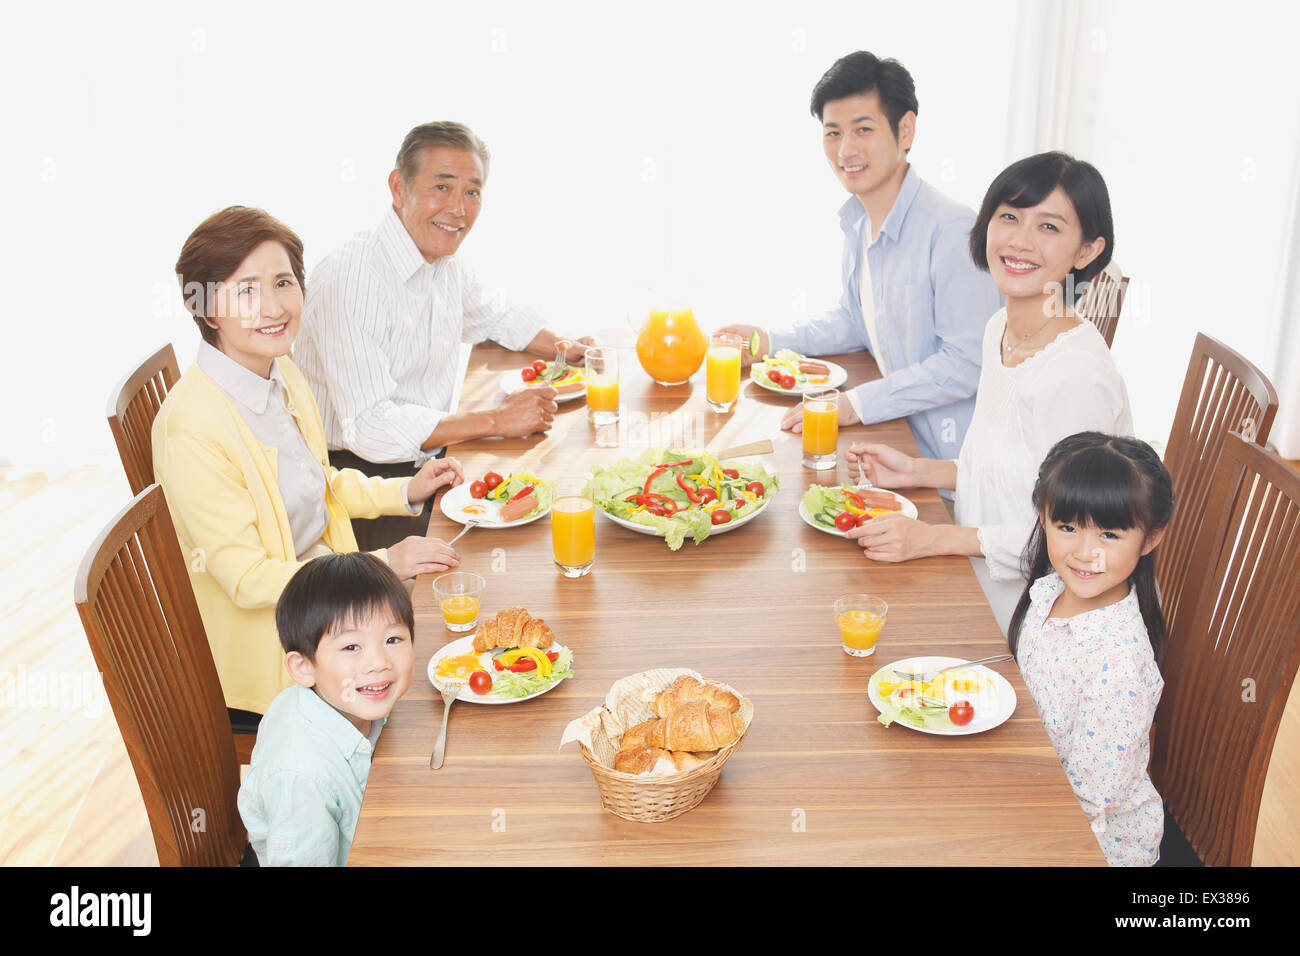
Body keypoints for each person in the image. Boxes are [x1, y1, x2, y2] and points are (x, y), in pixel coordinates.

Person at [153, 206, 462, 720]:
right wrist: (383, 565)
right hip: (277, 652)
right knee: (435, 686)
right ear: (206, 310)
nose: (273, 307)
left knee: (456, 634)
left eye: (283, 282)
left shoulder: (282, 373)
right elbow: (249, 579)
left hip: (333, 605)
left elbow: (315, 482)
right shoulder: (191, 426)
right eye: (246, 290)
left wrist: (405, 490)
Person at [845, 152, 1132, 634]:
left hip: (1041, 620)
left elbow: (1077, 544)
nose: (1020, 241)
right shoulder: (1000, 327)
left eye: (1049, 227)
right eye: (1010, 217)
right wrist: (918, 471)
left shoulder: (1077, 375)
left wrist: (933, 540)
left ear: (1086, 251)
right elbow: (1014, 476)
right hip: (978, 576)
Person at [293, 121, 596, 549]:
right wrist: (496, 421)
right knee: (514, 540)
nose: (459, 208)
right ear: (399, 188)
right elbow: (369, 426)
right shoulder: (353, 278)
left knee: (556, 491)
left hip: (424, 462)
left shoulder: (441, 261)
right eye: (442, 187)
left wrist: (568, 350)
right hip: (357, 491)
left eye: (472, 192)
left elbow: (493, 314)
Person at [720, 51, 1001, 465]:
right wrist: (769, 342)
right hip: (894, 439)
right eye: (833, 133)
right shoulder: (859, 220)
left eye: (863, 129)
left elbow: (967, 363)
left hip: (946, 470)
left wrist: (857, 403)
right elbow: (856, 320)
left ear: (905, 130)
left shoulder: (953, 231)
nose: (845, 149)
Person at [1007, 432, 1172, 866]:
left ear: (1150, 539)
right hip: (1031, 790)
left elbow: (1086, 804)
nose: (1085, 553)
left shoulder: (1120, 668)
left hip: (1087, 845)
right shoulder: (1050, 592)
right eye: (1067, 527)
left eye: (1110, 535)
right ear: (1043, 517)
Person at [238, 552, 415, 866]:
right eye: (351, 647)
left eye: (393, 638)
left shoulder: (343, 700)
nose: (379, 663)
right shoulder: (304, 778)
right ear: (303, 667)